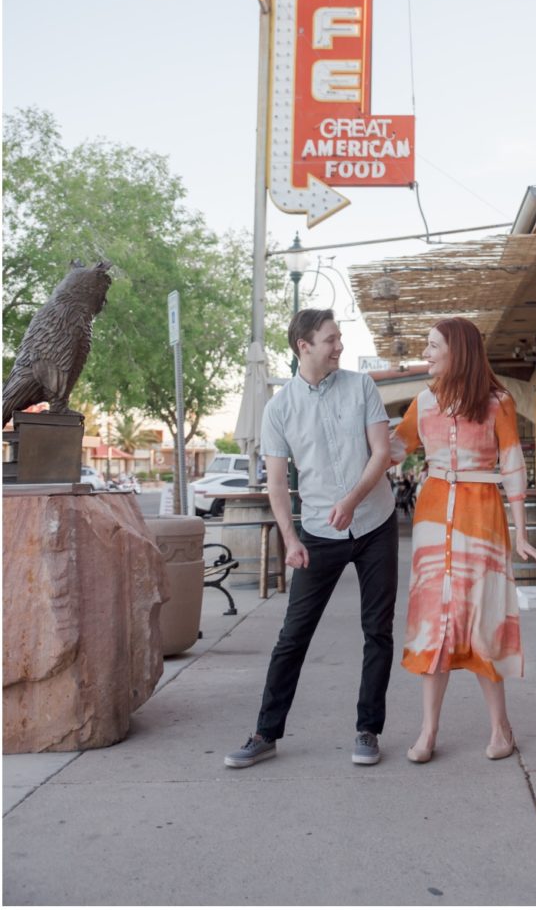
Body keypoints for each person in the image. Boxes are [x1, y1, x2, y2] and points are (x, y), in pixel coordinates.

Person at [225, 309, 398, 769]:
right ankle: (265, 732)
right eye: (330, 339)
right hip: (319, 533)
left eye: (339, 338)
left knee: (377, 631)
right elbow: (277, 484)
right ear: (304, 345)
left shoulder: (361, 386)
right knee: (292, 636)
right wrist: (291, 538)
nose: (339, 346)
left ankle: (368, 729)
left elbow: (382, 453)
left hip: (376, 522)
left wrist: (352, 499)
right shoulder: (279, 409)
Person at [391, 317, 536, 764]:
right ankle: (428, 731)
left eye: (433, 344)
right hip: (432, 518)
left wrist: (521, 531)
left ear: (457, 350)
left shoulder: (498, 403)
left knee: (483, 619)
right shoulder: (422, 403)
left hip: (482, 517)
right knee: (433, 622)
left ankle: (502, 729)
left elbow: (514, 464)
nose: (427, 351)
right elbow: (393, 450)